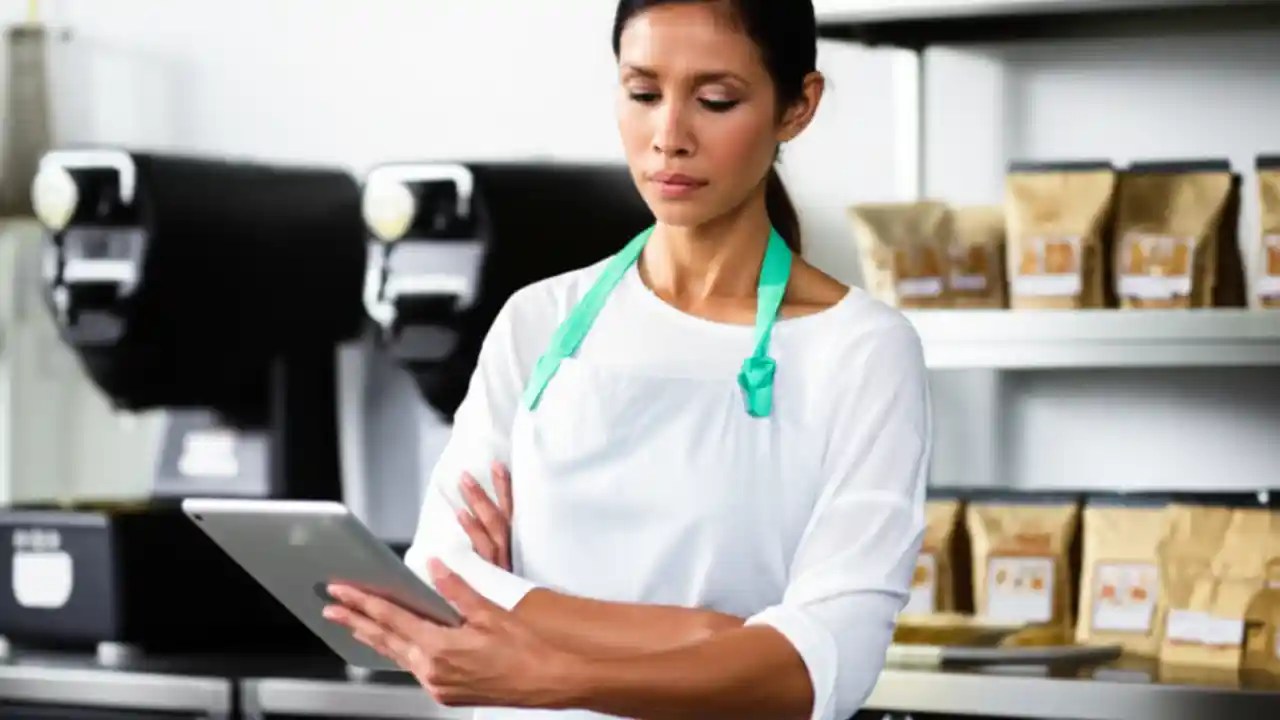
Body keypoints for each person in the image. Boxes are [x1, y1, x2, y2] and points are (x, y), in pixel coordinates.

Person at [323, 1, 931, 718]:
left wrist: (547, 665)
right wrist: (710, 636)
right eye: (642, 94)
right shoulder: (539, 322)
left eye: (715, 101)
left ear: (797, 107)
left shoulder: (859, 351)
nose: (668, 136)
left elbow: (822, 662)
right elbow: (443, 579)